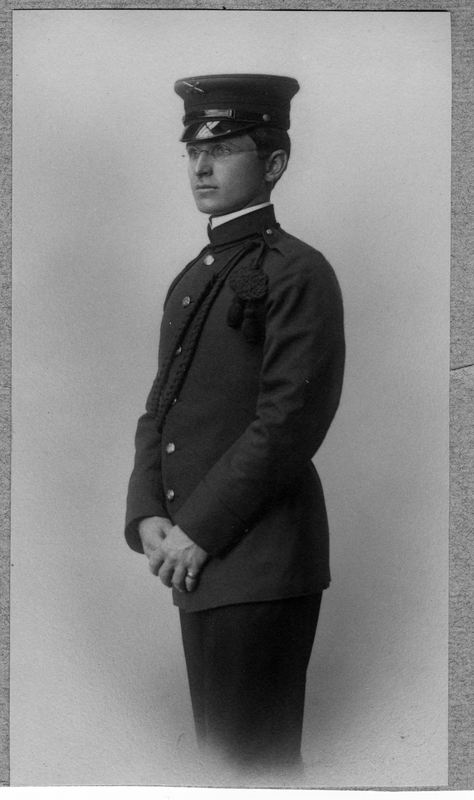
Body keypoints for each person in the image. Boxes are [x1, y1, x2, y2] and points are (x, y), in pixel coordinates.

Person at [125, 73, 345, 778]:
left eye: (225, 149)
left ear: (274, 163)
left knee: (255, 768)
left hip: (260, 559)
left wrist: (197, 531)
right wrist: (147, 513)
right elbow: (161, 407)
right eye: (193, 149)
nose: (201, 166)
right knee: (225, 765)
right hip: (200, 560)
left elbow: (288, 423)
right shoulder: (200, 272)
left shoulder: (297, 271)